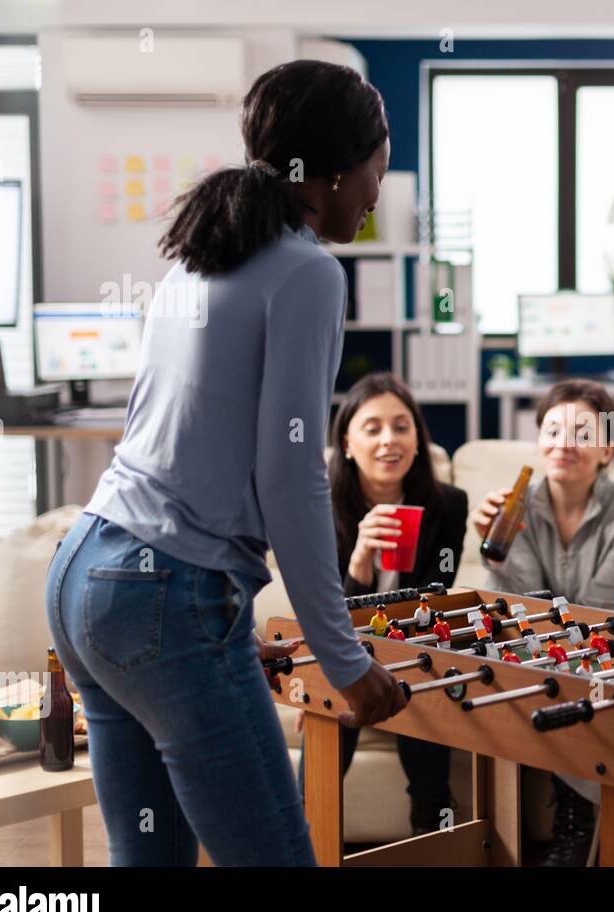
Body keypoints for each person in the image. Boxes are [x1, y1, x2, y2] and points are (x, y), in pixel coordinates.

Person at [44, 60, 407, 866]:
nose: (376, 197)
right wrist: (345, 660)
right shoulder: (307, 270)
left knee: (150, 858)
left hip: (86, 575)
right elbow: (291, 478)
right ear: (337, 171)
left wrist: (224, 629)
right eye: (376, 174)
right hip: (161, 593)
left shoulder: (199, 256)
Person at [473, 379, 614, 865]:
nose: (562, 442)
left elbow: (594, 609)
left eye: (580, 431)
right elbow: (526, 602)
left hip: (605, 646)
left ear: (608, 447)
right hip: (538, 644)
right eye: (551, 429)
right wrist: (500, 547)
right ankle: (553, 822)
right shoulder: (517, 504)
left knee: (578, 675)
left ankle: (577, 820)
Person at [296, 372, 469, 837]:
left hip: (412, 653)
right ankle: (299, 838)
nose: (389, 440)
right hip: (338, 652)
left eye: (401, 426)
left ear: (417, 439)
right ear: (347, 444)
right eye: (372, 428)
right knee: (341, 696)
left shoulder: (449, 506)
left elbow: (431, 603)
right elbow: (324, 616)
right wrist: (360, 564)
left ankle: (432, 835)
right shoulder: (318, 508)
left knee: (421, 686)